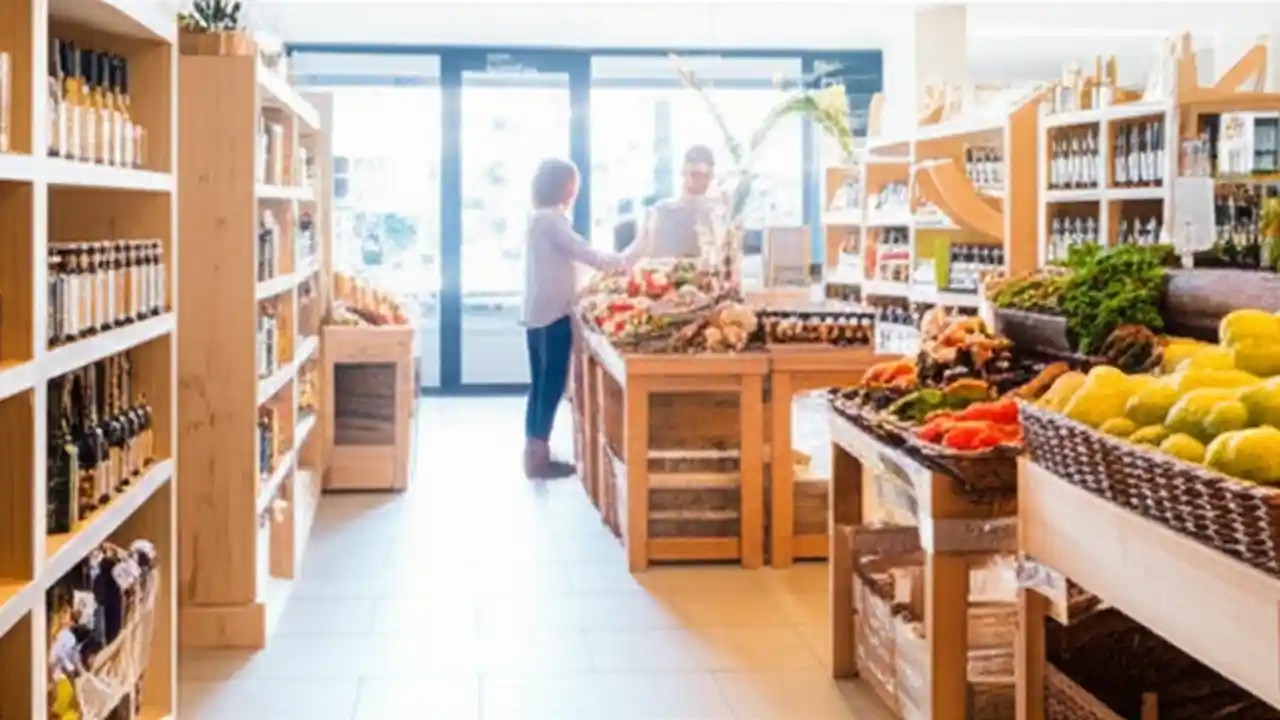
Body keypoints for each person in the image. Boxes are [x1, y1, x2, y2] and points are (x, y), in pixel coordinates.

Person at [522, 158, 627, 479]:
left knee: (540, 386)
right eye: (573, 185)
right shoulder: (551, 222)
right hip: (554, 315)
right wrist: (626, 259)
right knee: (550, 386)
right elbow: (590, 256)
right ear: (567, 187)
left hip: (538, 314)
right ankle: (539, 460)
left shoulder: (539, 220)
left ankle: (534, 453)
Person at [625, 145, 717, 259]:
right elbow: (631, 257)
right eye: (695, 174)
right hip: (661, 273)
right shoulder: (659, 211)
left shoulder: (715, 216)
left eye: (706, 176)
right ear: (683, 171)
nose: (701, 181)